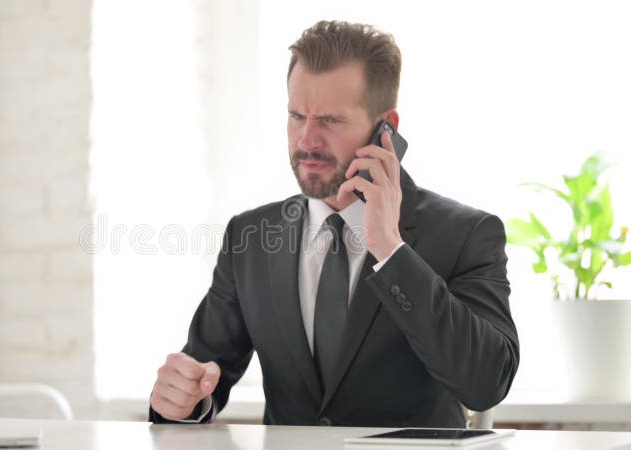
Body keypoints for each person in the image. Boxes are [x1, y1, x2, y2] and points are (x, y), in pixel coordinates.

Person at [149, 20, 519, 427]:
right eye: (296, 116)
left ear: (386, 128)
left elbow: (486, 383)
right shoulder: (250, 237)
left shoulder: (465, 235)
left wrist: (390, 250)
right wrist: (183, 399)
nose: (306, 140)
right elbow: (203, 375)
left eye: (330, 121)